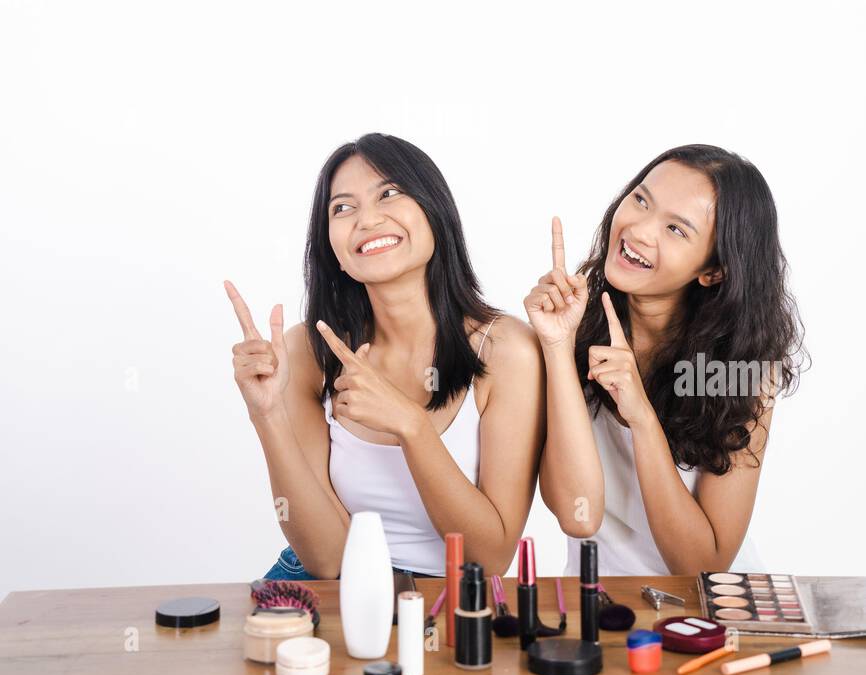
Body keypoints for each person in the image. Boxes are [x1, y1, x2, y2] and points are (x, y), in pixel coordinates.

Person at [227, 132, 545, 581]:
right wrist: (268, 415)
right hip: (328, 587)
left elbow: (488, 559)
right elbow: (327, 561)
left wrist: (410, 426)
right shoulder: (309, 349)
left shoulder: (507, 349)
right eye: (342, 207)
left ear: (435, 211)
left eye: (390, 193)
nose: (367, 219)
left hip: (452, 596)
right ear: (333, 248)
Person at [524, 144, 808, 577]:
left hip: (711, 614)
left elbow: (703, 564)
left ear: (714, 271)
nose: (638, 230)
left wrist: (640, 415)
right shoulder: (571, 325)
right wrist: (559, 350)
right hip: (602, 608)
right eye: (641, 199)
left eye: (676, 229)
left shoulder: (736, 372)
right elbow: (577, 517)